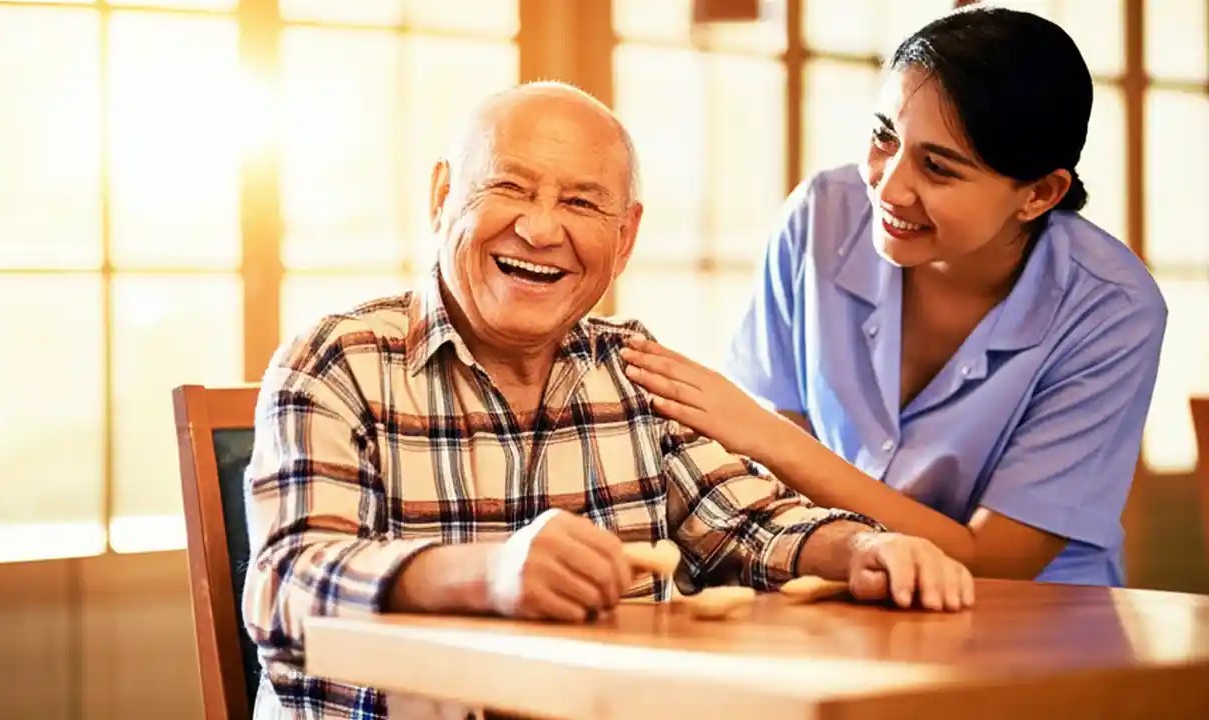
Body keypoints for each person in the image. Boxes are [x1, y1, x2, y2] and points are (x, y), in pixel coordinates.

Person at [242, 81, 974, 719]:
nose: (539, 228)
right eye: (510, 187)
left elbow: (750, 528)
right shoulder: (339, 360)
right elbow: (285, 589)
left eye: (581, 203)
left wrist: (864, 549)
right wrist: (490, 575)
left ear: (624, 240)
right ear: (443, 198)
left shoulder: (631, 366)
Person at [621, 6, 1166, 588]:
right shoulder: (821, 218)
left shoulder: (1111, 308)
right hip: (846, 589)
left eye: (937, 167)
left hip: (1035, 621)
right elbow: (762, 489)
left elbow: (995, 564)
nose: (889, 185)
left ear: (1038, 194)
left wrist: (764, 435)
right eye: (885, 137)